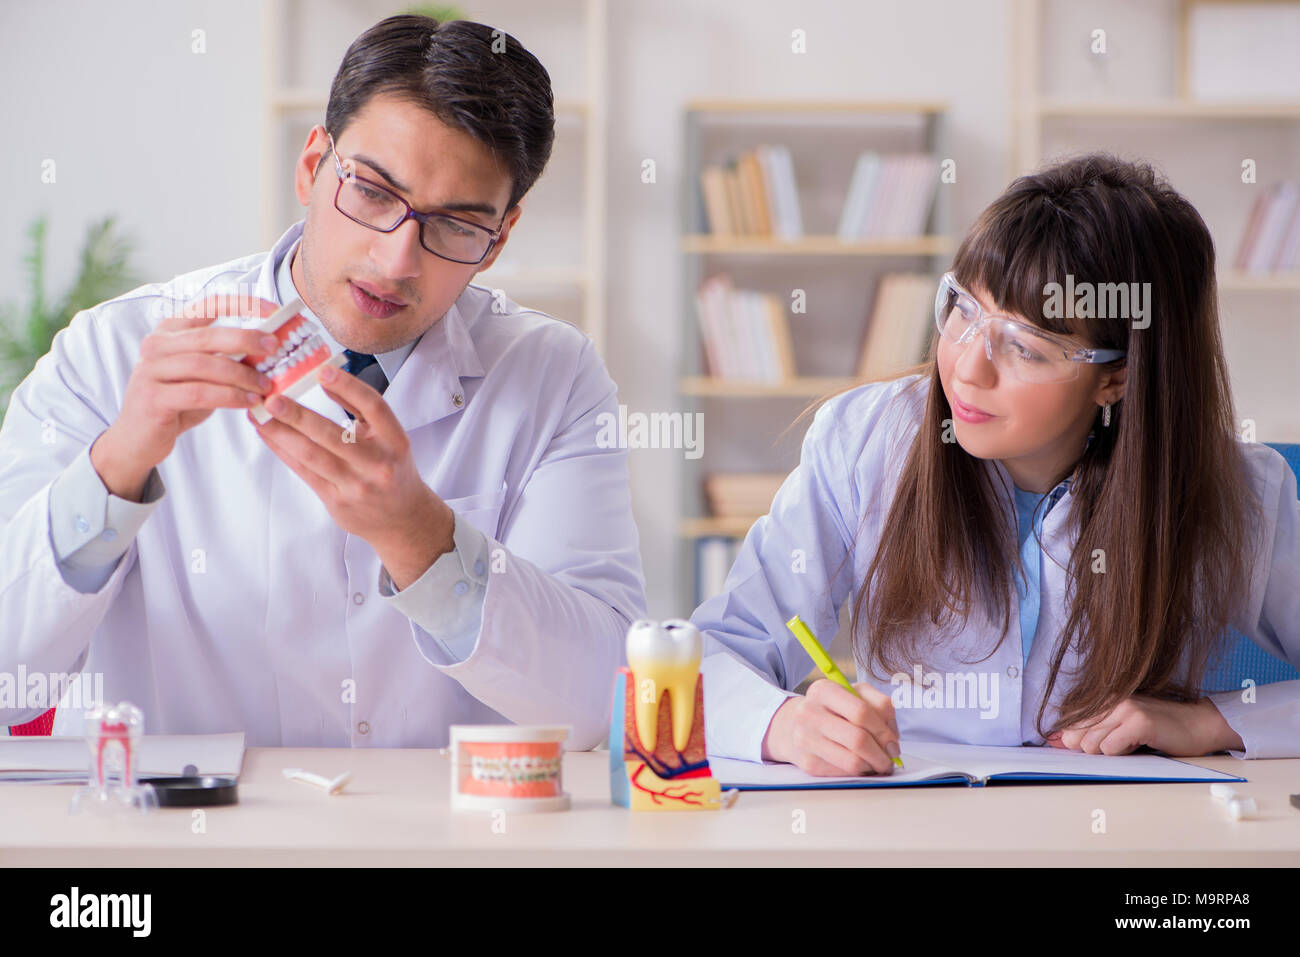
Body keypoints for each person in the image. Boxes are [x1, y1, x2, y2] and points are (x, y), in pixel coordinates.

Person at [0, 16, 645, 749]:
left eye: (458, 226)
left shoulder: (554, 377)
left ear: (499, 239)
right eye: (372, 191)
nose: (398, 259)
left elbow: (600, 702)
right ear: (313, 165)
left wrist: (422, 539)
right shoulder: (112, 351)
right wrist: (115, 469)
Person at [692, 153, 1299, 774]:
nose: (966, 367)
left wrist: (1211, 722)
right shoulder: (865, 441)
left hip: (1119, 831)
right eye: (963, 310)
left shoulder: (1238, 490)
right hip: (914, 822)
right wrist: (782, 725)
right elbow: (705, 658)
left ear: (1117, 377)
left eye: (1025, 349)